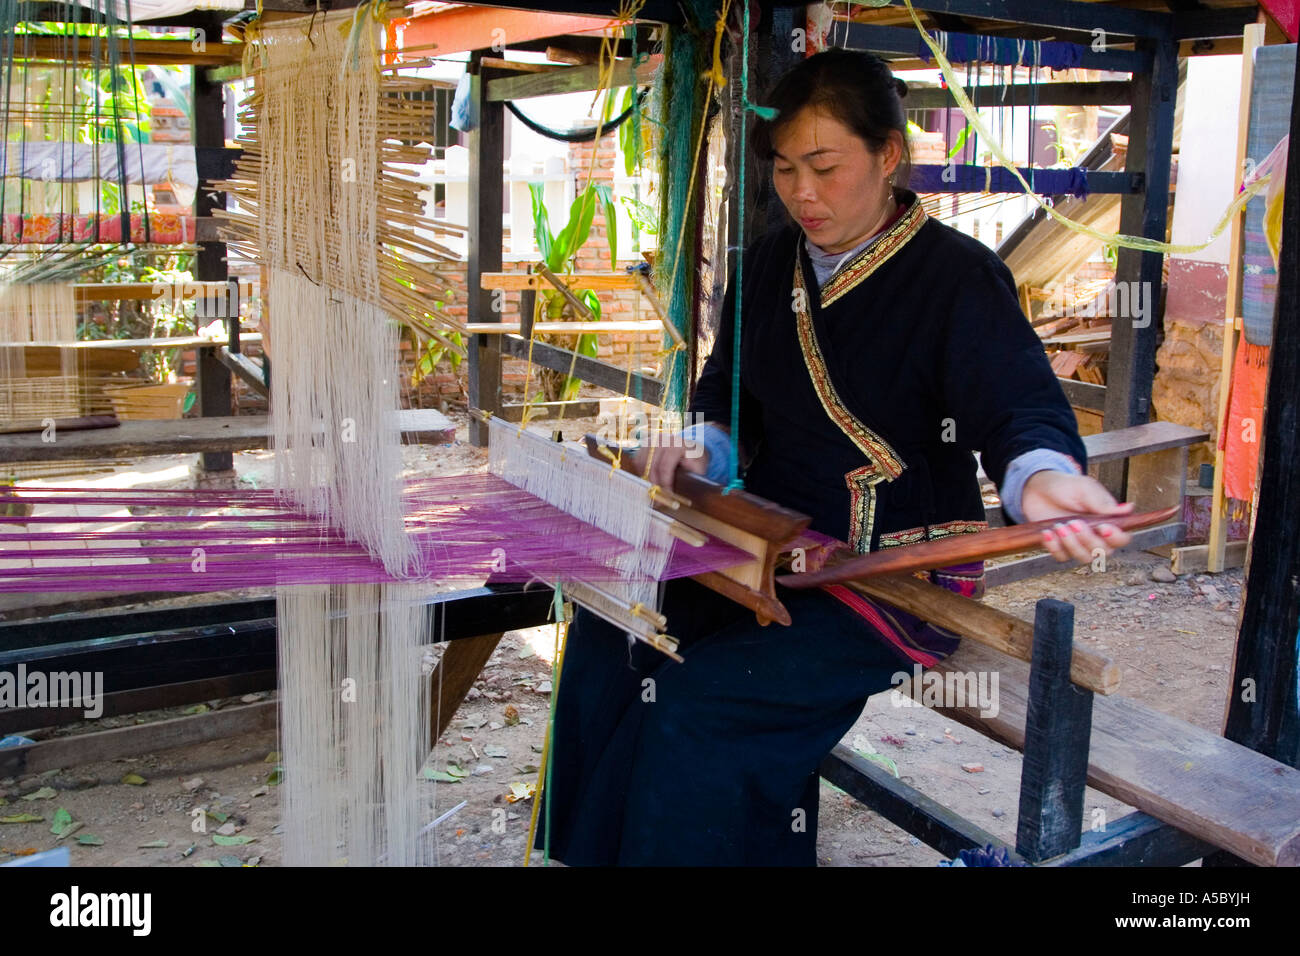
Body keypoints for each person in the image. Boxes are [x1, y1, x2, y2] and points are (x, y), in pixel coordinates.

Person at [535, 48, 1133, 866]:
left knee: (705, 705)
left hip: (889, 576)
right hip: (764, 549)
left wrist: (1045, 477)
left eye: (824, 166)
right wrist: (701, 450)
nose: (802, 193)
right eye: (784, 170)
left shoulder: (957, 277)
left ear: (888, 154)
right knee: (618, 636)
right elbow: (725, 395)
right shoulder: (764, 267)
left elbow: (1020, 404)